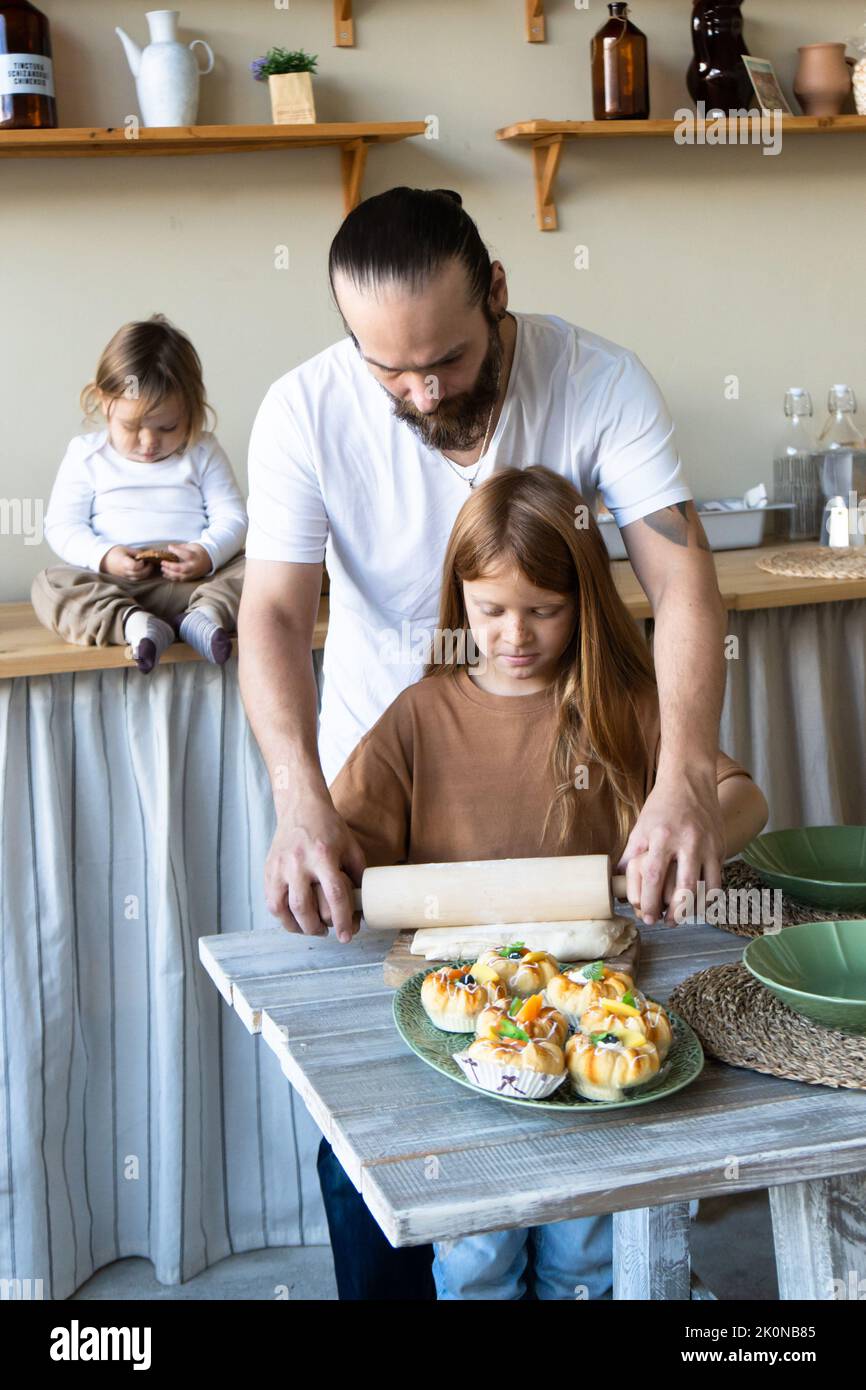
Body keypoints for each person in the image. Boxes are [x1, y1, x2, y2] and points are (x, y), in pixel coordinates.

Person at [238, 187, 730, 1298]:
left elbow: (680, 577)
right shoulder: (303, 410)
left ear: (497, 292)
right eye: (390, 371)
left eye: (448, 361)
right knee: (381, 1114)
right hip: (387, 810)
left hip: (555, 811)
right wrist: (297, 797)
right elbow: (269, 616)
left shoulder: (598, 378)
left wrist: (683, 774)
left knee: (566, 1145)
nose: (422, 393)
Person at [327, 465, 768, 1299]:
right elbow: (346, 849)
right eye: (490, 611)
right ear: (459, 601)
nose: (515, 635)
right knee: (477, 1259)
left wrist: (683, 832)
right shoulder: (420, 716)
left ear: (585, 603)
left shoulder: (624, 704)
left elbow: (745, 797)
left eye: (544, 610)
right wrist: (318, 853)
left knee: (586, 1260)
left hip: (602, 1024)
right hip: (460, 1038)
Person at [32, 313, 247, 673]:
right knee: (50, 584)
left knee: (261, 567)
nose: (149, 443)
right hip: (117, 585)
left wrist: (207, 554)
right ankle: (136, 625)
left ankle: (204, 618)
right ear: (104, 402)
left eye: (168, 427)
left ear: (191, 410)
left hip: (194, 583)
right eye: (131, 427)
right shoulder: (87, 455)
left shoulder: (202, 450)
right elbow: (61, 525)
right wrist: (106, 556)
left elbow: (233, 518)